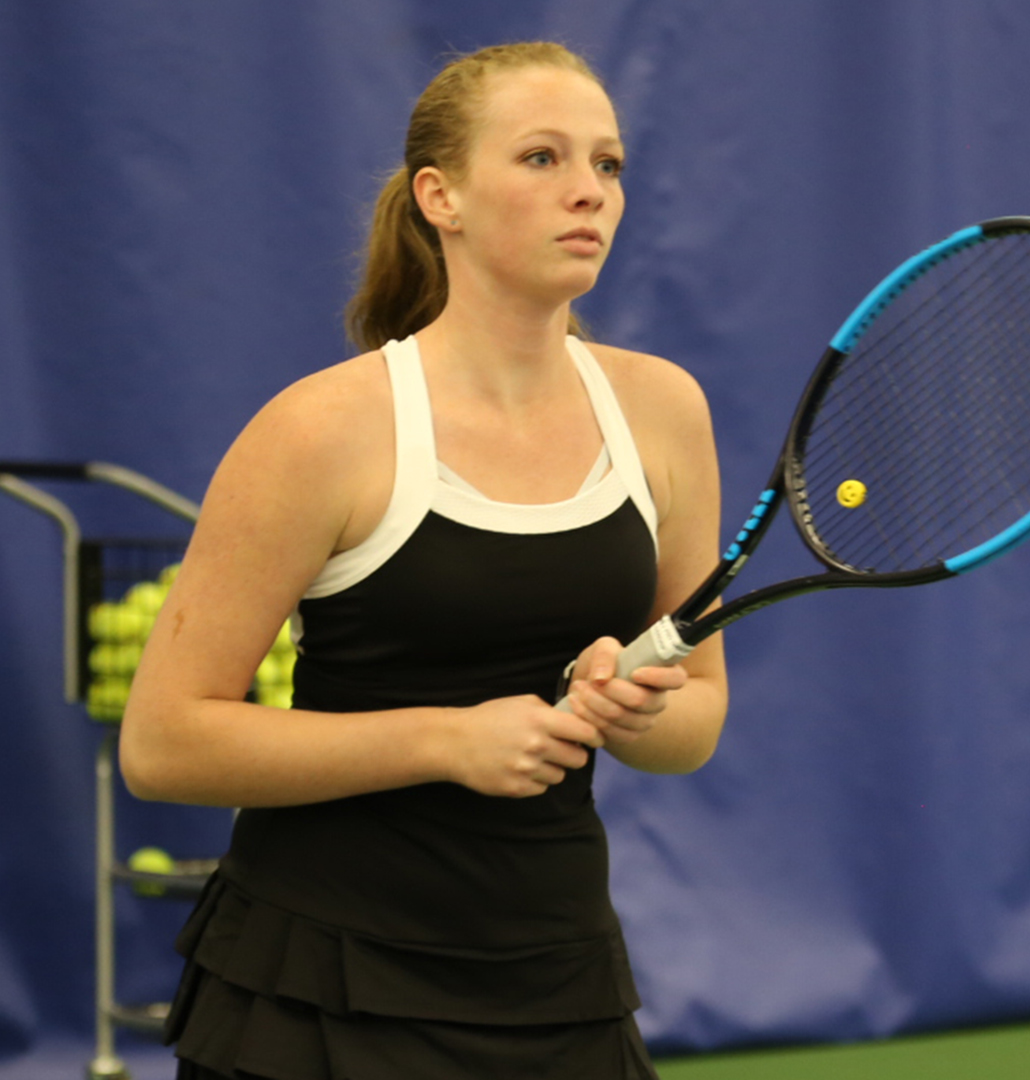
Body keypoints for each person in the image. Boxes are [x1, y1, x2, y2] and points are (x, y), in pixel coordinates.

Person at [121, 40, 727, 1080]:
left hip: (561, 983)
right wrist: (445, 741)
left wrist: (640, 712)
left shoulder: (664, 412)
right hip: (313, 993)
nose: (588, 192)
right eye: (542, 158)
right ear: (441, 197)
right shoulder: (319, 432)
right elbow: (165, 744)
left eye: (609, 164)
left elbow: (697, 718)